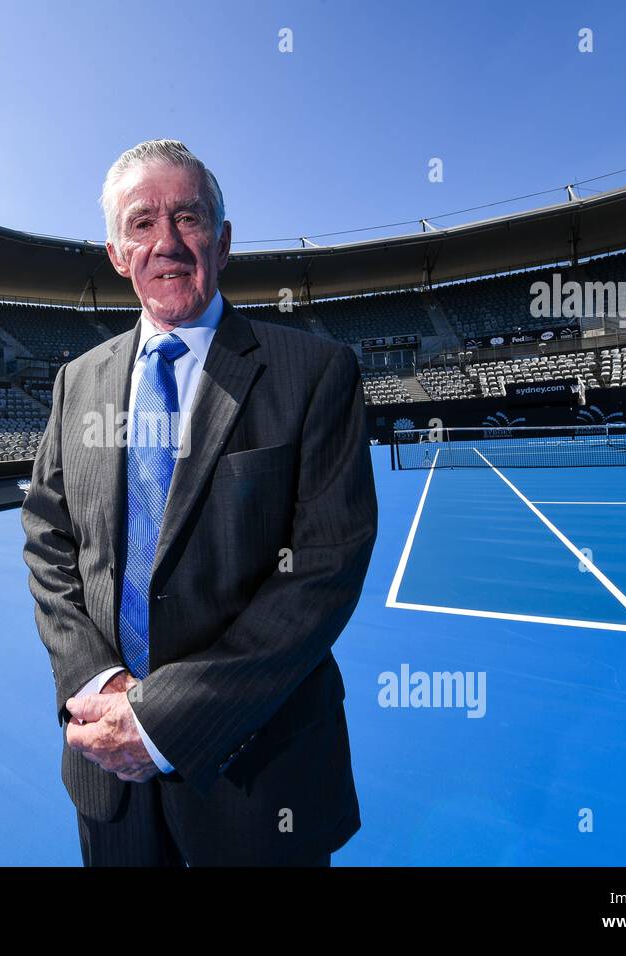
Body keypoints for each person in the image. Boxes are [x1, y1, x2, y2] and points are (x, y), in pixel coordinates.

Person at [22, 139, 378, 866]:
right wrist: (102, 683)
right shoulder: (77, 382)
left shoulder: (313, 373)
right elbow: (49, 539)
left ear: (222, 240)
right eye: (141, 223)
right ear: (118, 252)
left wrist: (161, 719)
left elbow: (321, 570)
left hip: (257, 777)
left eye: (187, 217)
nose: (167, 243)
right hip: (108, 779)